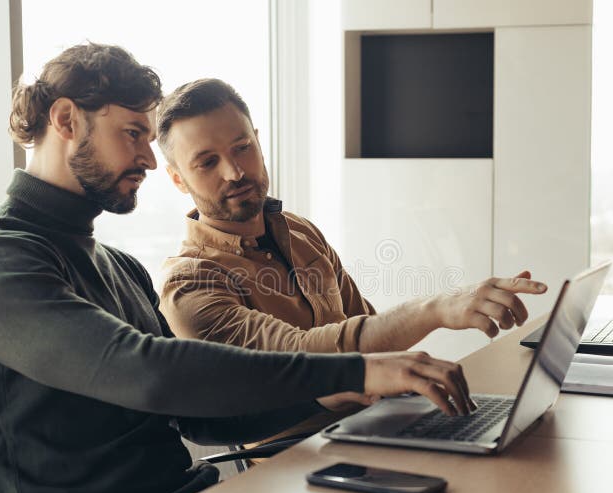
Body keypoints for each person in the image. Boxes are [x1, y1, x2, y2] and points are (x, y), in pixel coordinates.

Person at [0, 44, 473, 493]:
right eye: (133, 134)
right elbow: (145, 373)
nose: (146, 156)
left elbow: (201, 419)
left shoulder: (117, 266)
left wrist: (328, 390)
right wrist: (357, 367)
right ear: (66, 119)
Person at [156, 78, 548, 449]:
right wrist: (437, 309)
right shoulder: (190, 283)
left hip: (377, 426)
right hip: (296, 463)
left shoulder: (299, 231)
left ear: (258, 142)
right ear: (177, 180)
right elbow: (300, 357)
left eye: (242, 147)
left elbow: (365, 330)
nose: (236, 171)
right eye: (207, 163)